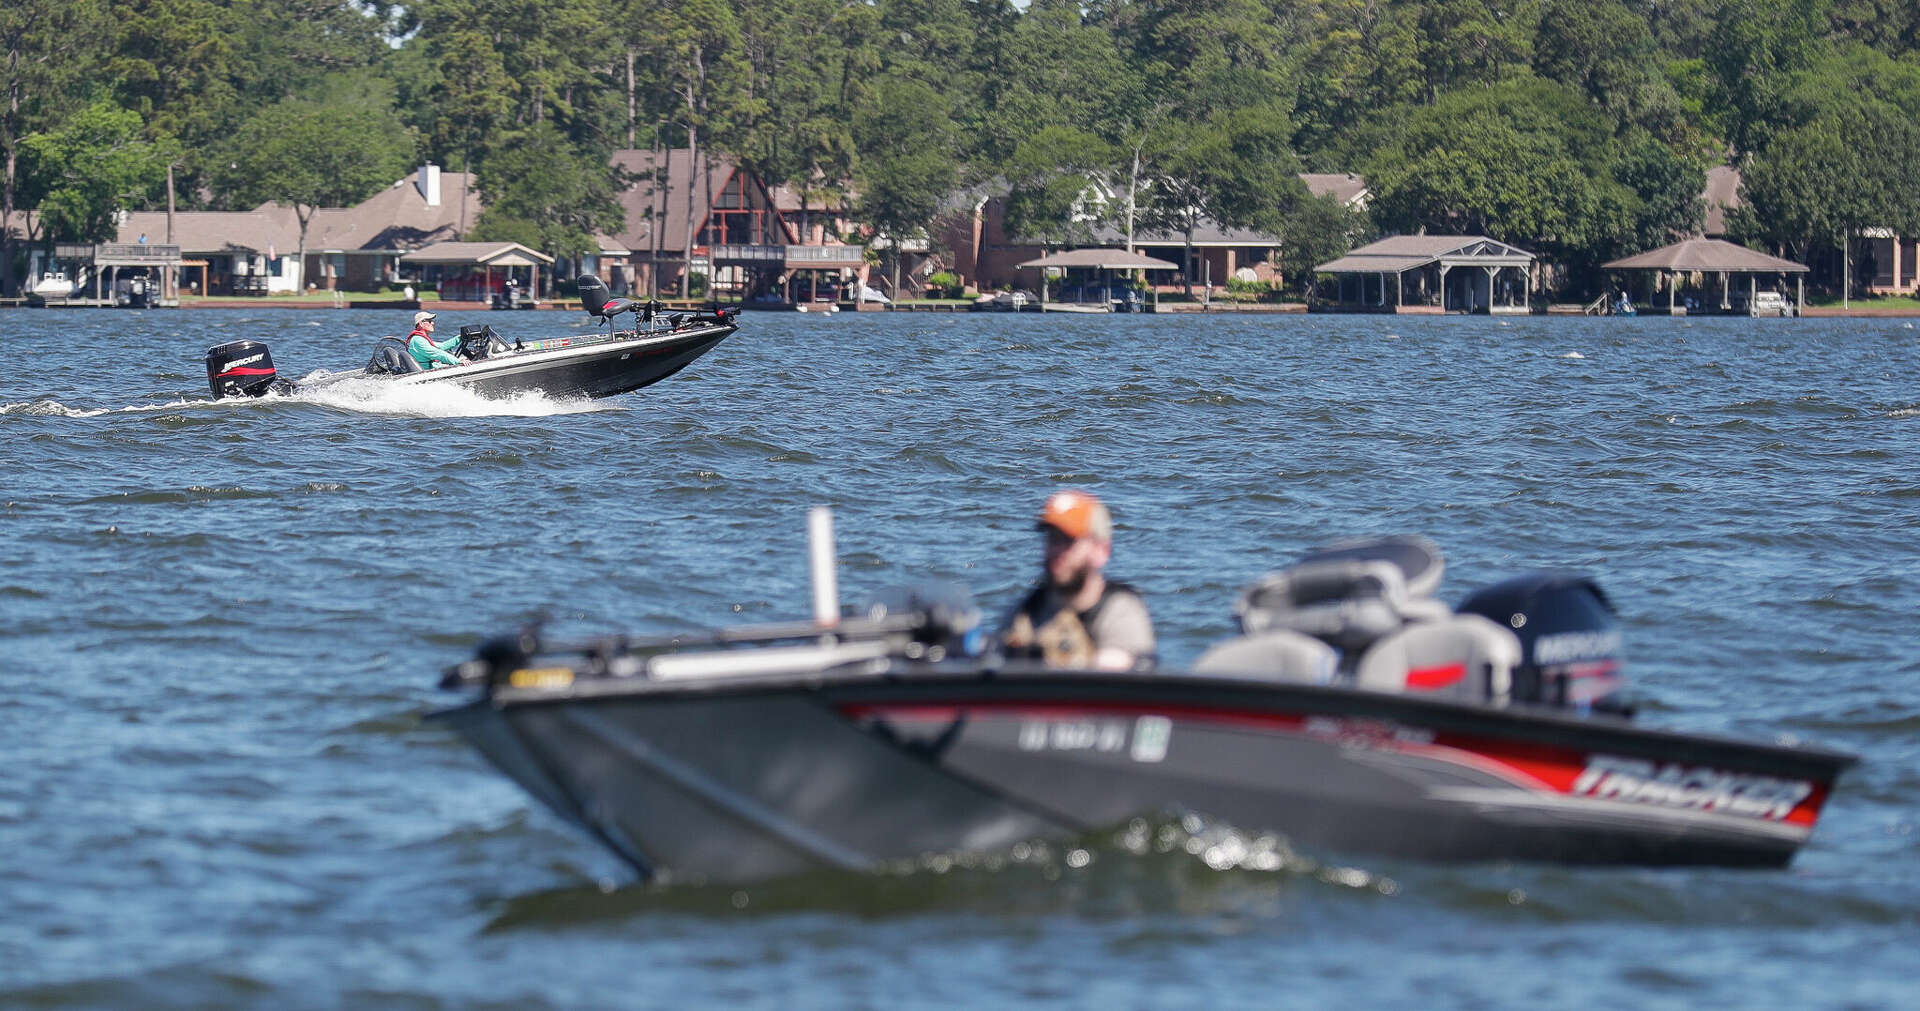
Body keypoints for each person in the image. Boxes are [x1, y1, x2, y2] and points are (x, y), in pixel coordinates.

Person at [1000, 490, 1155, 670]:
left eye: (1068, 541)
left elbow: (1116, 669)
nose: (1057, 550)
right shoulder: (1026, 611)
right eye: (1052, 539)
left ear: (1101, 551)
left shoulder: (1120, 611)